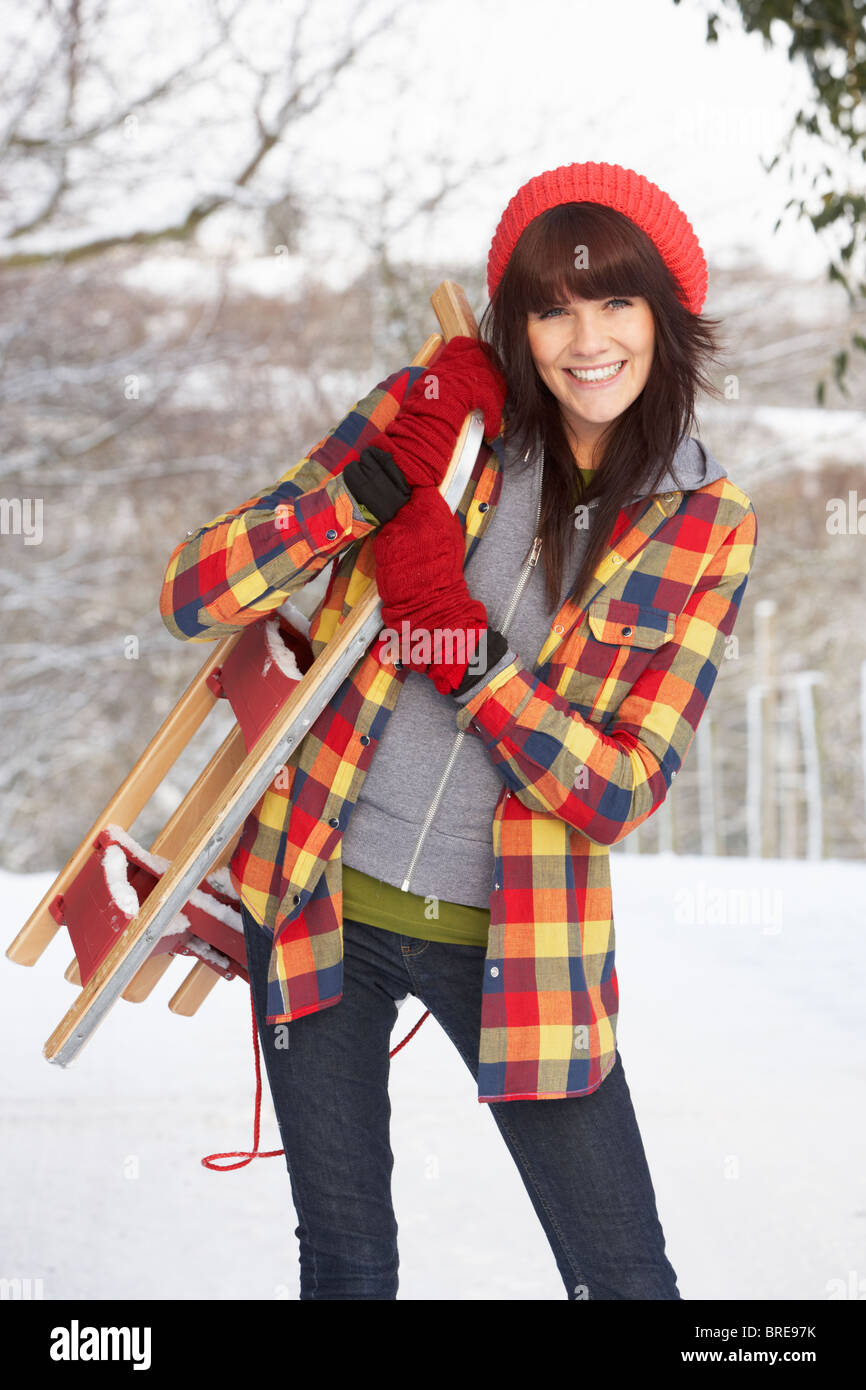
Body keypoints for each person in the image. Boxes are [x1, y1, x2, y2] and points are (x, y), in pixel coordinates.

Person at [160, 160, 758, 1300]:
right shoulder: (443, 421)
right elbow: (193, 592)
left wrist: (464, 651)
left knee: (624, 1279)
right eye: (551, 306)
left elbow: (617, 788)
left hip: (520, 942)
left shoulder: (703, 522)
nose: (585, 338)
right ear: (516, 323)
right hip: (317, 897)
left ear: (666, 317)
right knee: (345, 1266)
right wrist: (371, 485)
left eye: (615, 301)